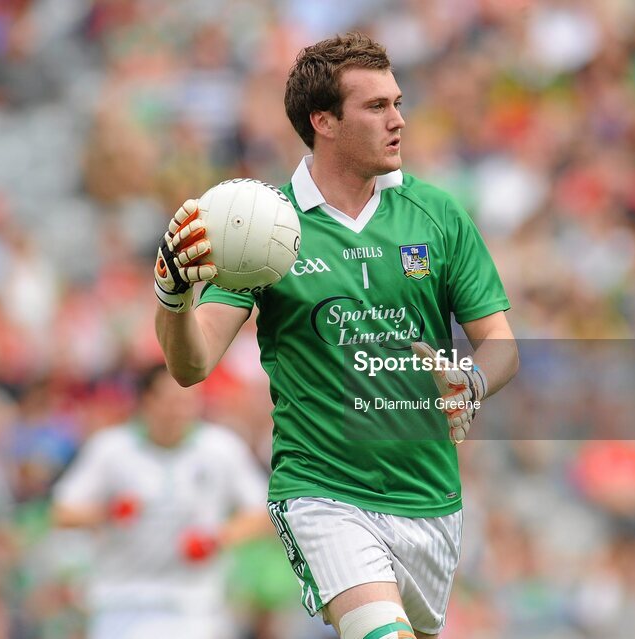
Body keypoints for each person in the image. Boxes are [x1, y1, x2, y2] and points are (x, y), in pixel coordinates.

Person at [153, 32, 519, 639]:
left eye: (397, 102)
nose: (399, 120)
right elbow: (191, 365)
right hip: (323, 493)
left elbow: (501, 342)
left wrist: (472, 382)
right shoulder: (263, 226)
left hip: (431, 497)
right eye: (376, 107)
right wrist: (173, 298)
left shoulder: (437, 213)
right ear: (323, 120)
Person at [51, 364, 271, 639]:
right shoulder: (111, 449)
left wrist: (216, 538)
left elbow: (263, 513)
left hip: (195, 604)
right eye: (172, 401)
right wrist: (108, 512)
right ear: (146, 401)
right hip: (120, 602)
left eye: (188, 401)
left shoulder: (220, 448)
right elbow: (62, 511)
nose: (180, 411)